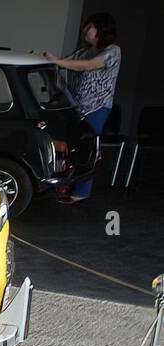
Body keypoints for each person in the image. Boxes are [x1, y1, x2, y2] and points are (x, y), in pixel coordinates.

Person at [44, 12, 121, 203]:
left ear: (101, 30)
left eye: (90, 27)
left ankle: (81, 192)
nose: (85, 31)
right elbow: (67, 63)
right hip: (75, 107)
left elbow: (87, 66)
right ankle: (65, 184)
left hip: (97, 108)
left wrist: (56, 60)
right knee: (70, 147)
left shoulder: (113, 51)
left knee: (87, 148)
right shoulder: (83, 51)